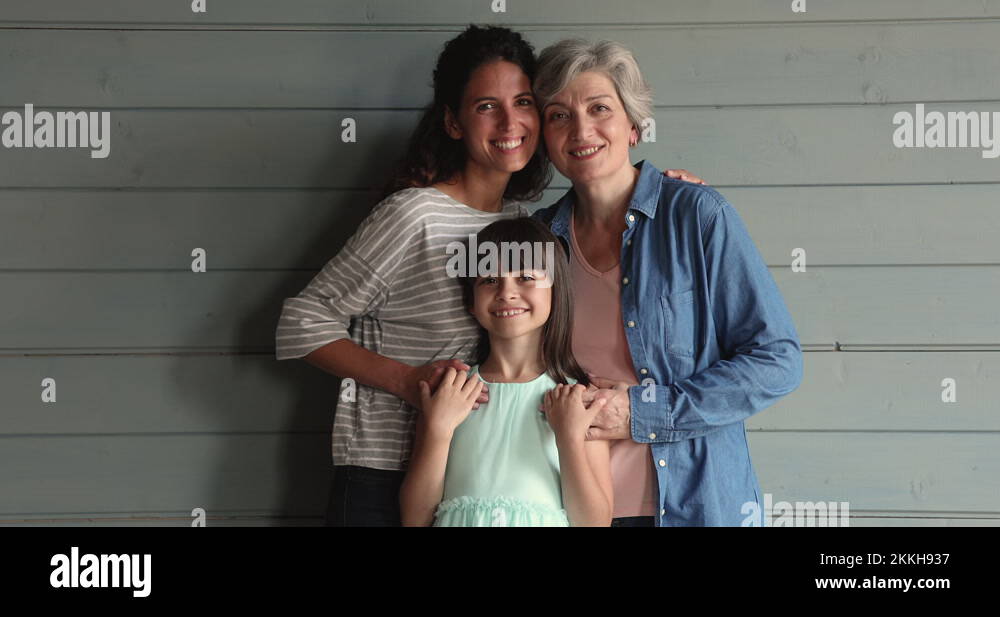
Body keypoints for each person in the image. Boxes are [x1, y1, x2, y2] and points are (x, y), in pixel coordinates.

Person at [275, 25, 702, 526]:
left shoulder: (530, 226)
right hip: (383, 470)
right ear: (453, 123)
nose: (509, 122)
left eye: (523, 103)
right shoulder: (415, 215)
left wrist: (660, 192)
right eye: (485, 106)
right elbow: (300, 322)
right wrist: (409, 381)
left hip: (478, 475)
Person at [530, 39, 804, 526]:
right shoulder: (538, 240)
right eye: (559, 115)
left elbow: (777, 361)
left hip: (693, 507)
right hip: (568, 508)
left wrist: (640, 412)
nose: (581, 130)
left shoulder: (697, 215)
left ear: (633, 125)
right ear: (545, 136)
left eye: (600, 109)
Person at [400, 217, 612, 526]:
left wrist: (570, 439)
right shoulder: (451, 394)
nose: (506, 292)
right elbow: (415, 518)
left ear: (557, 290)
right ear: (470, 299)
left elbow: (595, 523)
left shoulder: (577, 399)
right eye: (489, 279)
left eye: (526, 276)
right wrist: (438, 429)